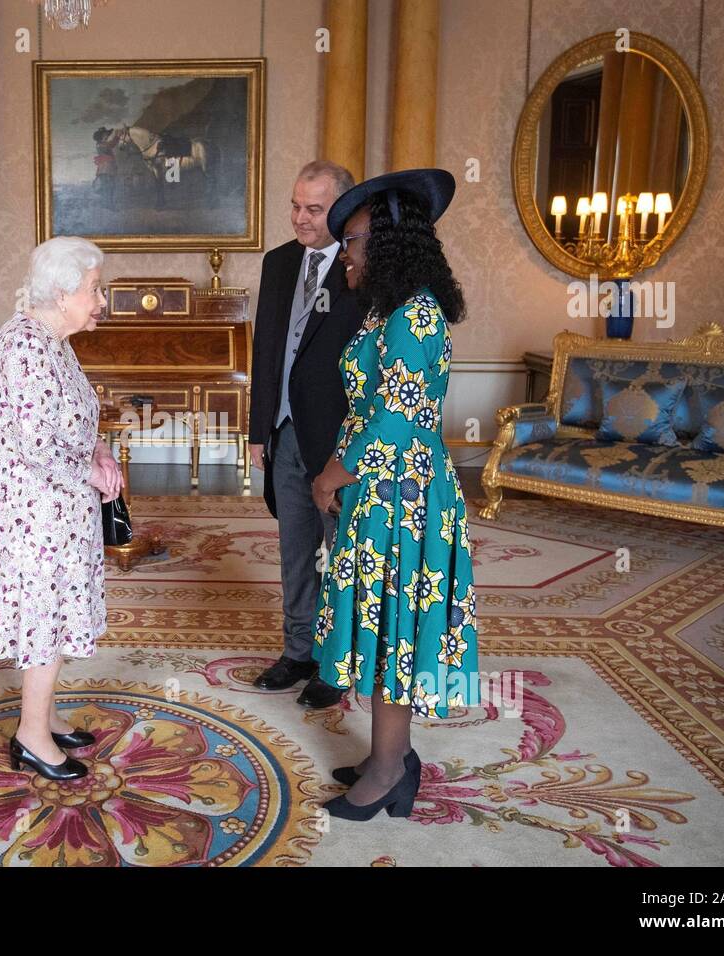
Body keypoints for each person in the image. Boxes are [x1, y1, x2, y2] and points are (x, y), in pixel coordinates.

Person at [309, 169, 480, 821]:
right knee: (383, 625)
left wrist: (330, 474)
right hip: (378, 492)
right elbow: (371, 407)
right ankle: (394, 753)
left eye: (351, 241)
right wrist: (337, 467)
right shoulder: (391, 307)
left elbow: (396, 418)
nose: (345, 256)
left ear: (386, 242)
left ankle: (387, 771)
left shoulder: (415, 314)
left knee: (392, 631)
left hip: (401, 499)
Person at [0, 236, 124, 781]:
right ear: (62, 293)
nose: (100, 300)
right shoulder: (23, 347)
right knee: (43, 616)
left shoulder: (54, 342)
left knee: (55, 614)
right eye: (93, 289)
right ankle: (32, 737)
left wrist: (100, 453)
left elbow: (76, 419)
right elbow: (34, 443)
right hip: (35, 515)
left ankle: (45, 715)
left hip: (59, 509)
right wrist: (88, 470)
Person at [247, 161, 364, 709]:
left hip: (338, 443)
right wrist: (257, 430)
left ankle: (338, 663)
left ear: (339, 209)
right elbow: (266, 350)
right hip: (283, 431)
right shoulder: (278, 264)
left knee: (341, 555)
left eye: (313, 209)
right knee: (295, 549)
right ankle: (298, 651)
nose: (300, 218)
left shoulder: (362, 268)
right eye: (295, 206)